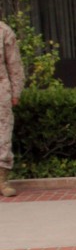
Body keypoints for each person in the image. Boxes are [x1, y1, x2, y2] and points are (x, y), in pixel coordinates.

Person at [0, 17, 25, 198]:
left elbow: (14, 63)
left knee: (3, 135)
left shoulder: (4, 31)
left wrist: (16, 92)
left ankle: (2, 179)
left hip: (1, 91)